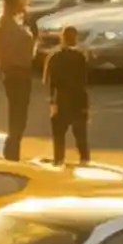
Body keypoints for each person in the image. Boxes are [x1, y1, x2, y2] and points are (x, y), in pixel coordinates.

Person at [0, 0, 34, 161]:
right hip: (16, 73)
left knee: (19, 117)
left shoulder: (14, 21)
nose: (27, 1)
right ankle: (11, 154)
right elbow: (1, 50)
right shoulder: (6, 22)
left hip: (19, 72)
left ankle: (13, 152)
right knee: (18, 117)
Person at [43, 25, 89, 165]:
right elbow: (84, 82)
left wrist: (52, 102)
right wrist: (85, 106)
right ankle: (84, 159)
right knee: (80, 134)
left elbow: (50, 83)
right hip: (78, 100)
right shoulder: (80, 57)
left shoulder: (54, 57)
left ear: (62, 38)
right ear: (75, 38)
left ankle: (59, 160)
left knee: (59, 135)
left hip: (61, 99)